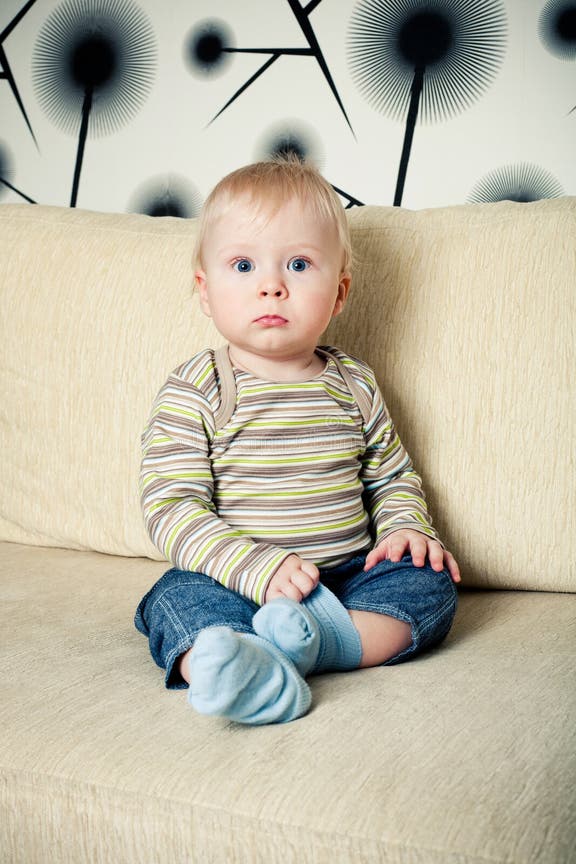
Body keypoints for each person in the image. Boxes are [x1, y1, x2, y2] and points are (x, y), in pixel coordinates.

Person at [135, 156, 460, 725]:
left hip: (349, 577)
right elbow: (171, 505)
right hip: (236, 581)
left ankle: (314, 646)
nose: (271, 286)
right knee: (172, 600)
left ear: (338, 294)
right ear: (206, 292)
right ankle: (238, 663)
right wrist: (254, 566)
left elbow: (391, 476)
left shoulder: (353, 383)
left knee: (430, 583)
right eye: (242, 264)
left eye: (299, 264)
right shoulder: (199, 387)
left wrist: (406, 527)